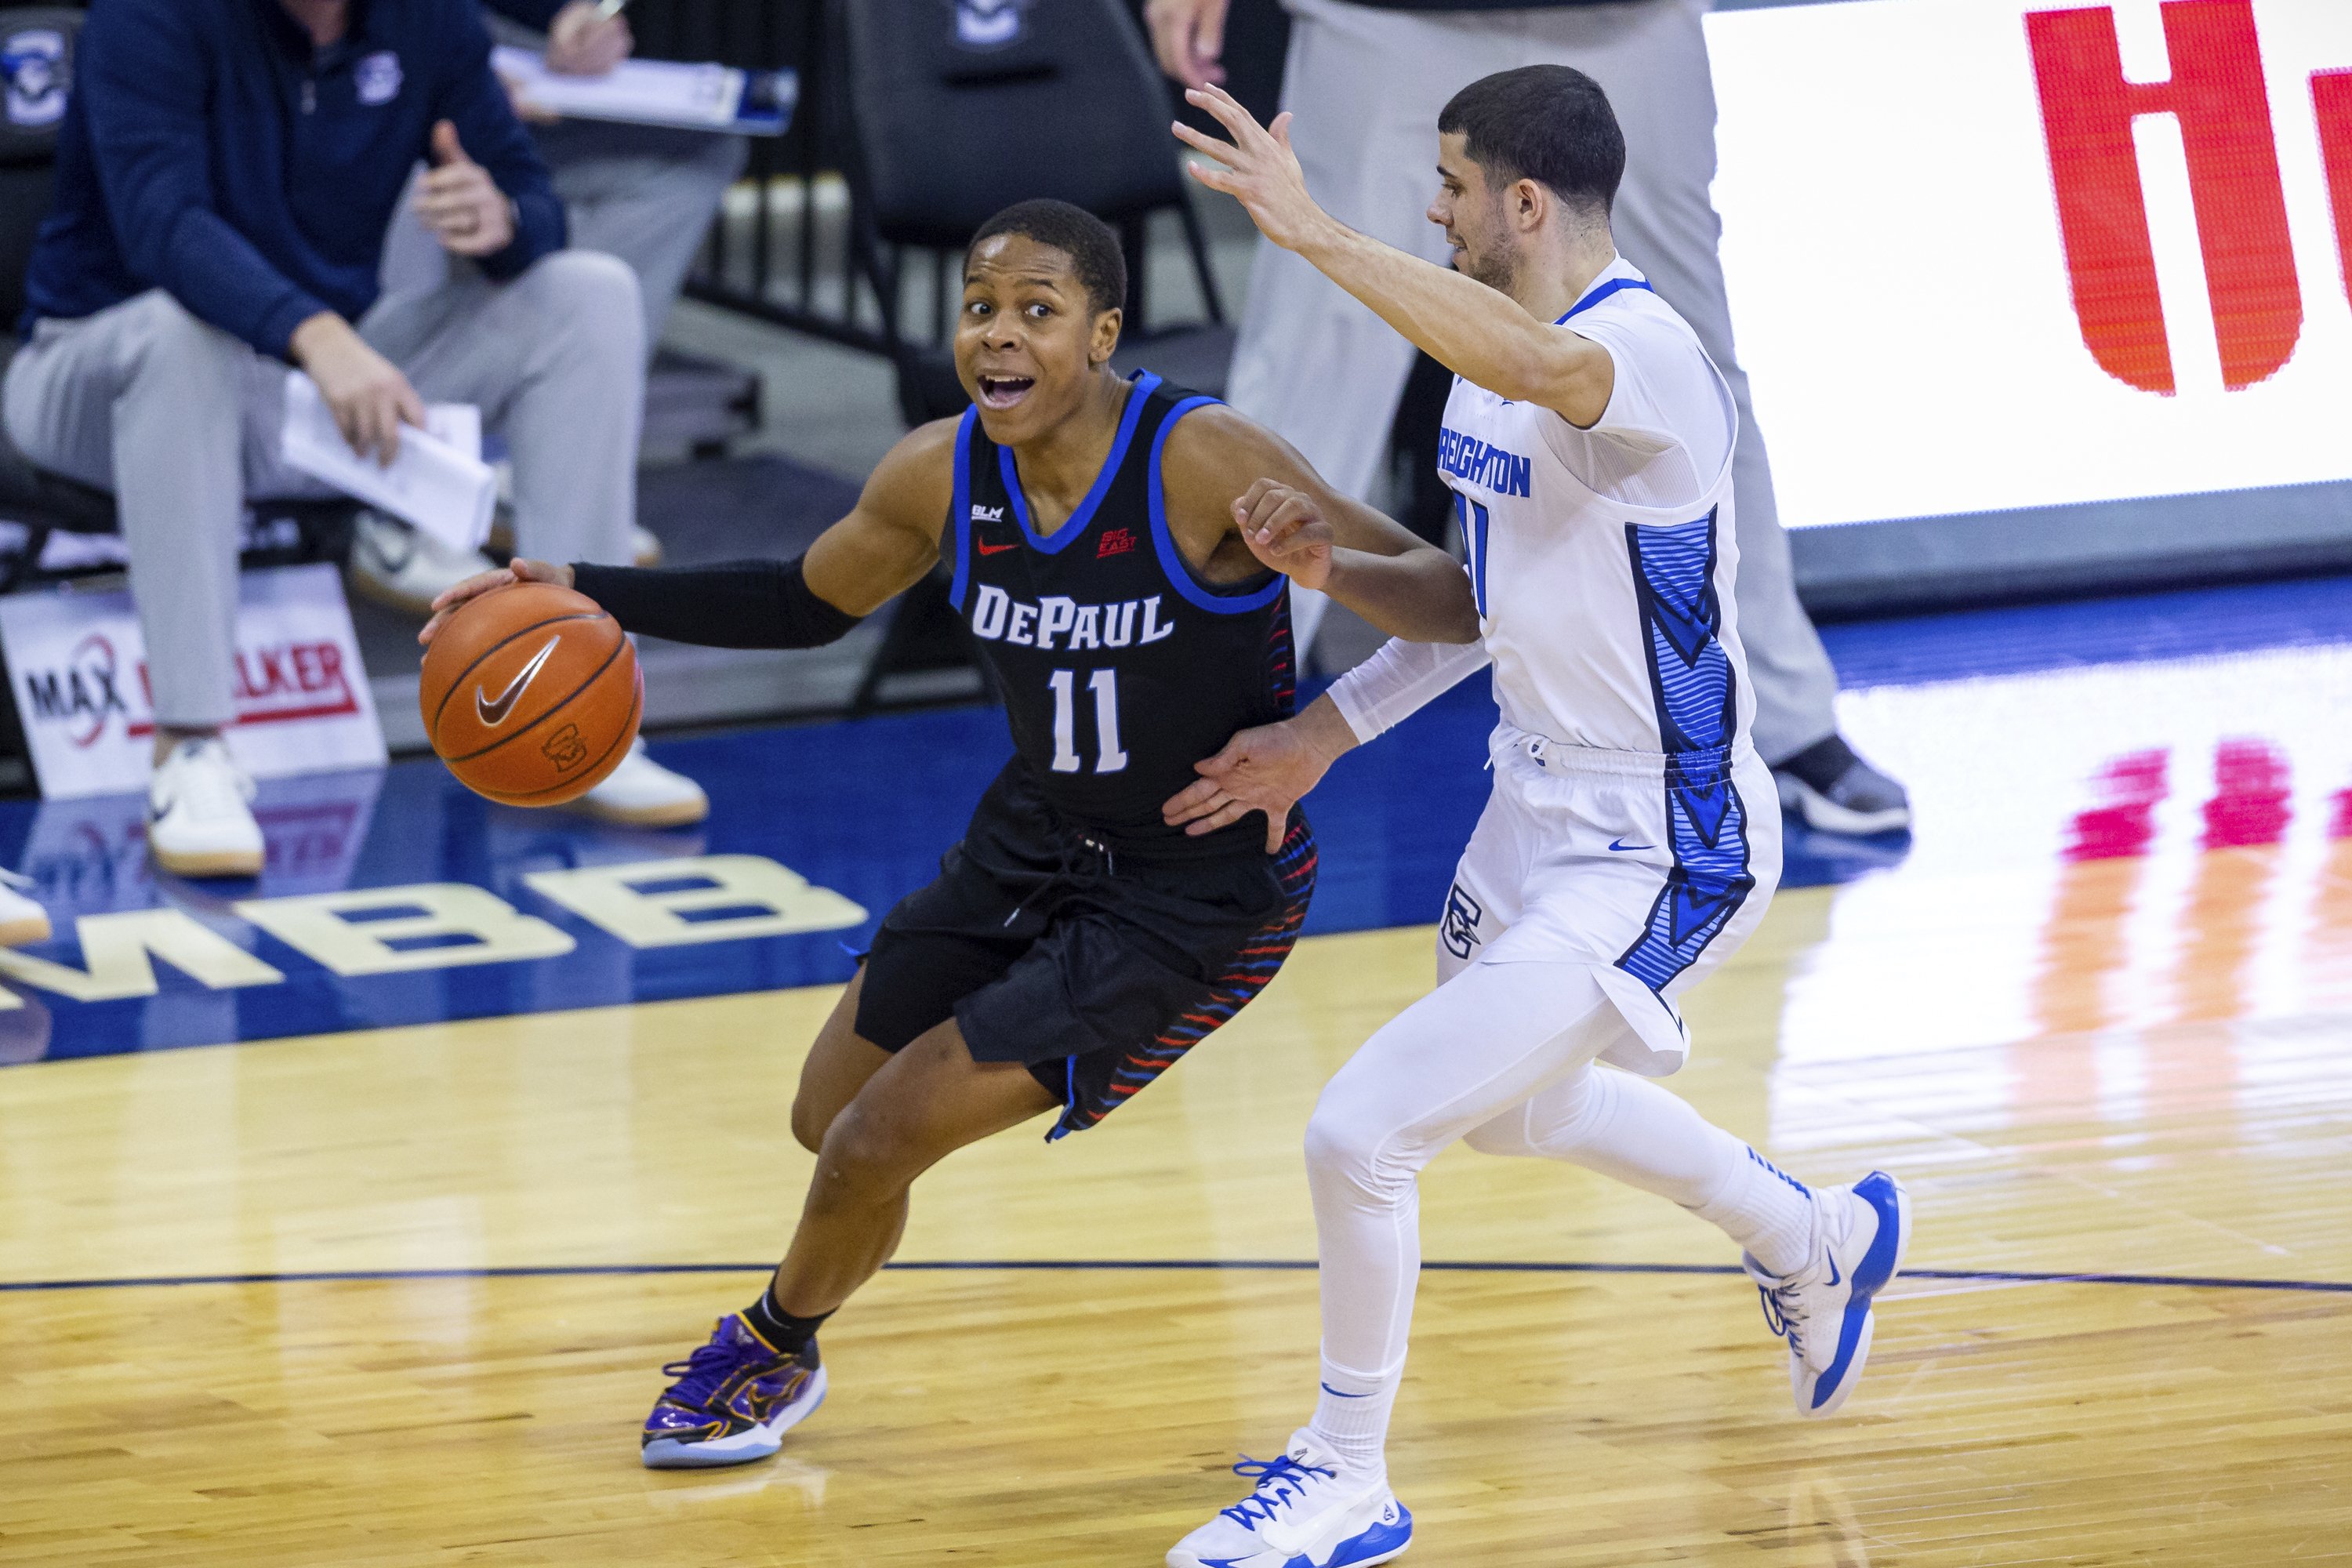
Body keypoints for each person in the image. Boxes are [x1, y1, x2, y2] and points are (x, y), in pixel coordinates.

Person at [419, 198, 1476, 1470]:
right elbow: (805, 604)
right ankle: (827, 1267)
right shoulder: (939, 471)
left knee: (876, 1139)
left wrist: (1328, 587)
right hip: (1032, 837)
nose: (999, 336)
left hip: (1190, 889)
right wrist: (575, 586)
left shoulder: (1199, 458)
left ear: (1103, 334)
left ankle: (768, 1347)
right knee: (831, 1121)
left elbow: (1456, 602)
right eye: (980, 308)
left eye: (1038, 310)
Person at [1156, 72, 1911, 1566]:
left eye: (1448, 186)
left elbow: (1560, 369)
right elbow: (1480, 605)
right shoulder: (1484, 366)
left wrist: (1309, 236)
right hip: (1532, 805)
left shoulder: (1643, 354)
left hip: (1665, 838)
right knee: (1517, 1109)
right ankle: (1814, 1236)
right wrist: (1328, 666)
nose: (1430, 211)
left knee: (1358, 1135)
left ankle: (1345, 1473)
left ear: (1524, 203)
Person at [1144, 0, 1911, 838]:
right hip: (1385, 23)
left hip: (1626, 27)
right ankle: (1193, 732)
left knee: (1687, 360)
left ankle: (1786, 715)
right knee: (1309, 359)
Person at [2, 0, 707, 874]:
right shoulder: (148, 17)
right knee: (181, 335)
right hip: (91, 370)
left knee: (587, 293)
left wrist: (503, 221)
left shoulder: (430, 21)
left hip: (310, 376)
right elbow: (163, 227)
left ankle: (578, 706)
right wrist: (316, 335)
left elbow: (530, 193)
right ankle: (190, 746)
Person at [364, 0, 748, 600]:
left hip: (490, 49)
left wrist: (581, 10)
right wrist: (443, 71)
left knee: (622, 250)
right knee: (419, 154)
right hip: (358, 60)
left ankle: (534, 463)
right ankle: (395, 490)